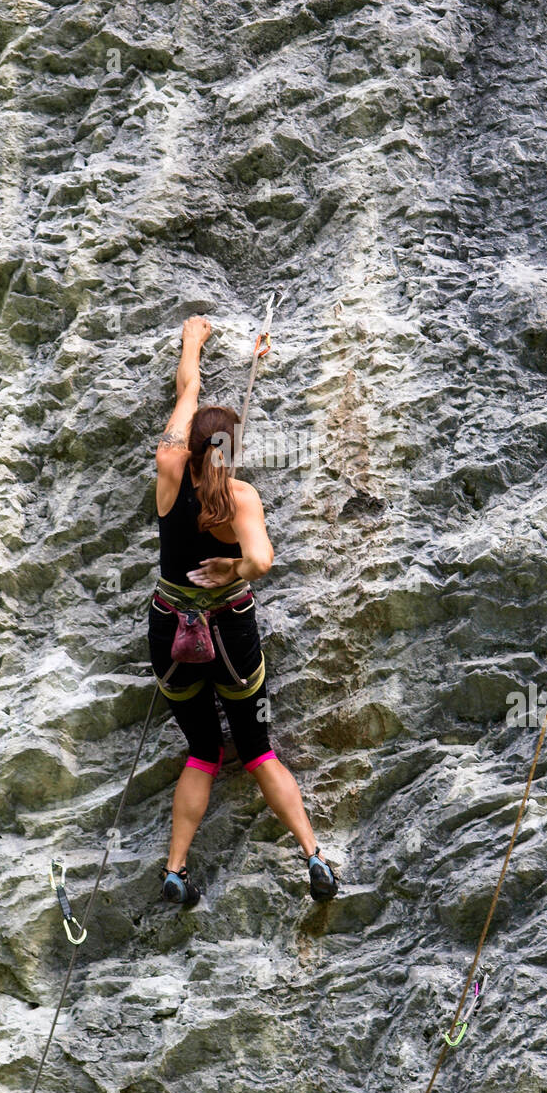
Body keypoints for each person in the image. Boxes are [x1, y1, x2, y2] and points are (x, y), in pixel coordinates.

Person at [149, 315, 338, 906]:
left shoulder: (168, 469)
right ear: (232, 451)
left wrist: (193, 342)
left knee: (204, 751)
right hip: (229, 633)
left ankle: (176, 870)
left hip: (170, 632)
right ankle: (314, 856)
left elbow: (187, 394)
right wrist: (231, 569)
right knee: (256, 750)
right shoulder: (239, 498)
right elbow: (261, 560)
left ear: (192, 446)